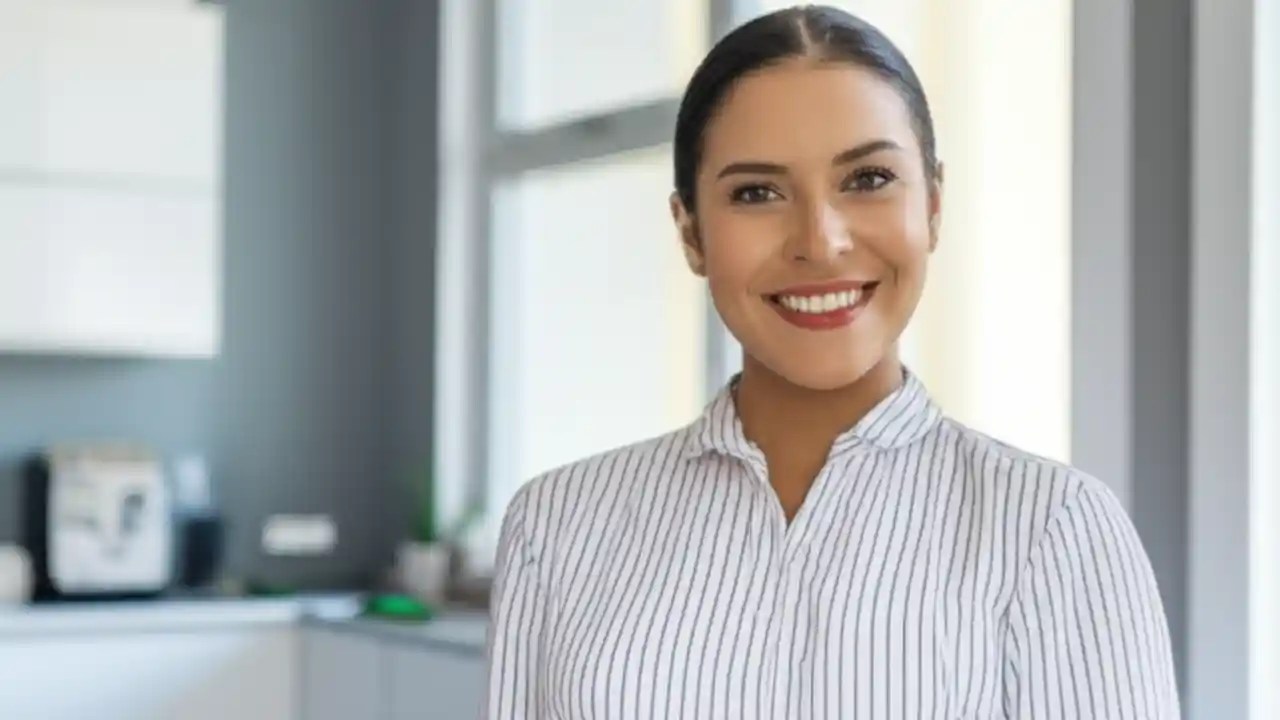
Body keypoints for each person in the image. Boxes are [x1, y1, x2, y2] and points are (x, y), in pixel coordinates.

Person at [482, 5, 1180, 719]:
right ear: (690, 231)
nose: (820, 241)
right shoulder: (558, 526)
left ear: (933, 204)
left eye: (868, 179)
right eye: (757, 193)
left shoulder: (1052, 529)